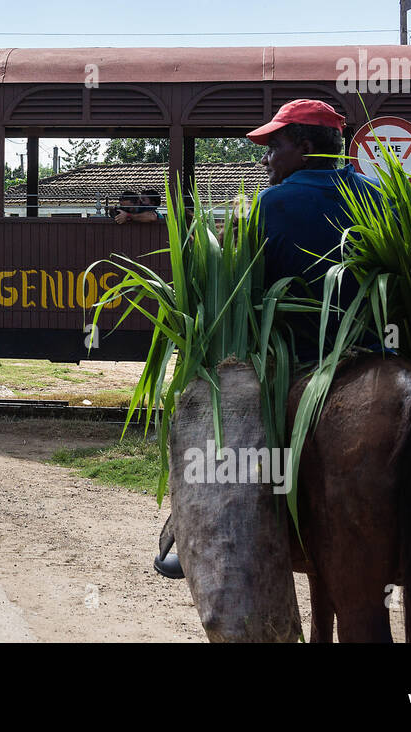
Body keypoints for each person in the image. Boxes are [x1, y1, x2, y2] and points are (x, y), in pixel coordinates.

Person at [154, 98, 380, 581]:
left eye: (273, 146)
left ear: (302, 146)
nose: (265, 159)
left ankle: (199, 527)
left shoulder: (271, 203)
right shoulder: (379, 195)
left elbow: (246, 287)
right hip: (380, 350)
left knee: (225, 421)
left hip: (298, 357)